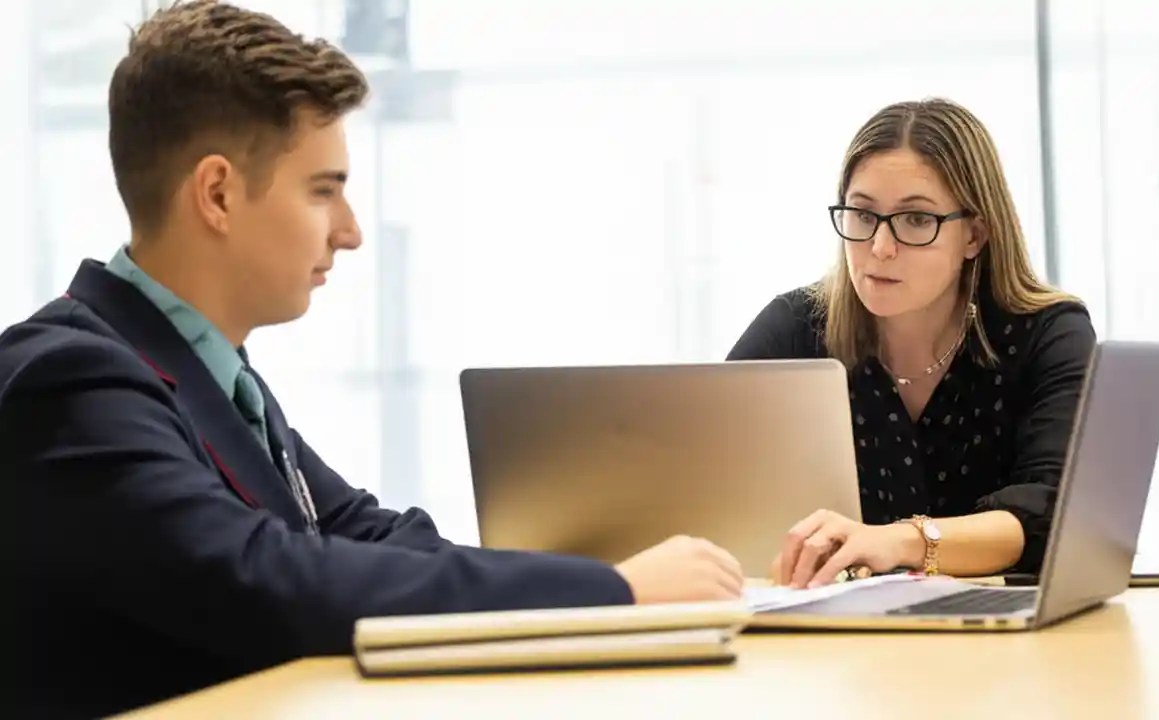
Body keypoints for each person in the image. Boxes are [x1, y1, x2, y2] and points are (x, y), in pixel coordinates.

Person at [0, 2, 742, 717]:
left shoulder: (209, 374)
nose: (350, 232)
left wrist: (607, 574)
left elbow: (371, 534)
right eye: (323, 192)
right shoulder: (72, 379)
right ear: (219, 194)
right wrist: (611, 592)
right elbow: (267, 580)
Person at [728, 98, 1096, 589]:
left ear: (975, 235)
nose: (880, 247)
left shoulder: (1048, 334)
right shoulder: (795, 328)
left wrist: (897, 542)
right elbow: (708, 490)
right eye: (862, 215)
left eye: (916, 220)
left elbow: (1056, 518)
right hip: (830, 644)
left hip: (1013, 642)